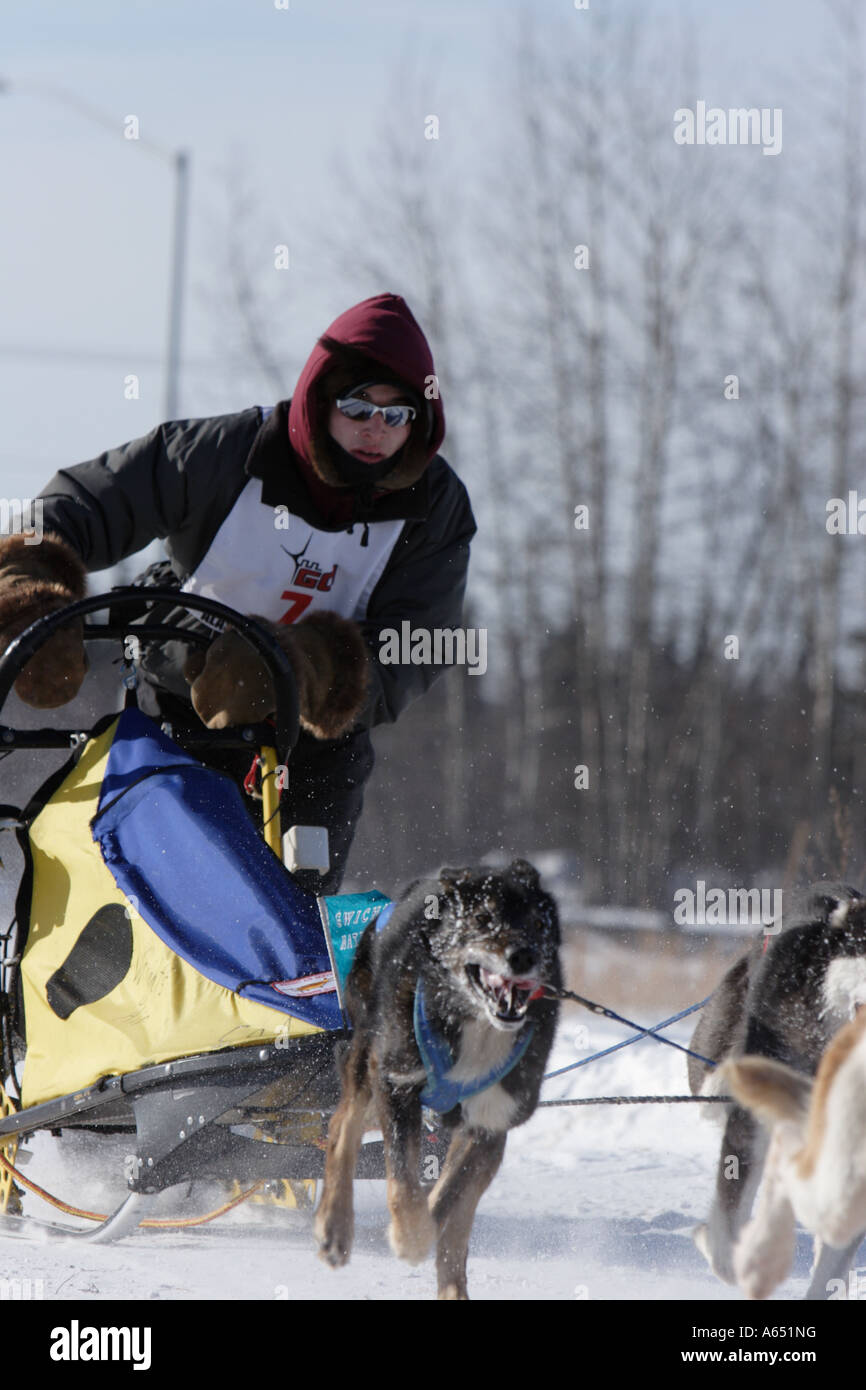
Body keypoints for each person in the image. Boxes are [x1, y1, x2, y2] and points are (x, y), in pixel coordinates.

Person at [0, 293, 477, 892]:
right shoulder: (223, 456)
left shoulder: (435, 509)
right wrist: (30, 594)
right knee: (146, 902)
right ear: (321, 399)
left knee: (293, 941)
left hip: (314, 757)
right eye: (358, 407)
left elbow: (417, 645)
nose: (375, 430)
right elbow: (76, 506)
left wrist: (300, 668)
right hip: (178, 714)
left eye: (396, 413)